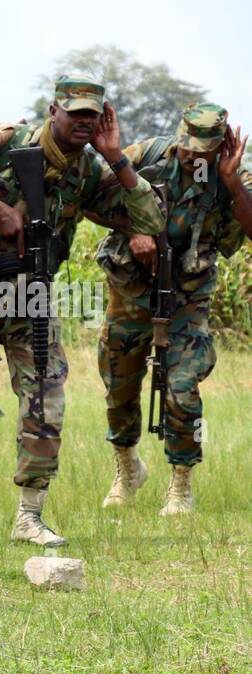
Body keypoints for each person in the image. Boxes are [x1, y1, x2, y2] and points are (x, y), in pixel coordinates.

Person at [0, 74, 164, 547]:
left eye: (92, 115)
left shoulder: (89, 171)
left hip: (29, 297)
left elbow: (149, 220)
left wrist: (117, 157)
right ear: (53, 111)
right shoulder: (3, 142)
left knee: (46, 397)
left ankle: (29, 516)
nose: (84, 122)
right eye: (75, 112)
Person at [96, 104, 250, 514]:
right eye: (188, 147)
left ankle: (181, 484)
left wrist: (233, 184)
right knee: (119, 385)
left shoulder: (231, 175)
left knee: (182, 389)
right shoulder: (146, 155)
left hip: (186, 298)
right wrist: (134, 230)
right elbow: (93, 198)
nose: (191, 156)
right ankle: (128, 468)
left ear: (221, 147)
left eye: (203, 151)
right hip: (131, 292)